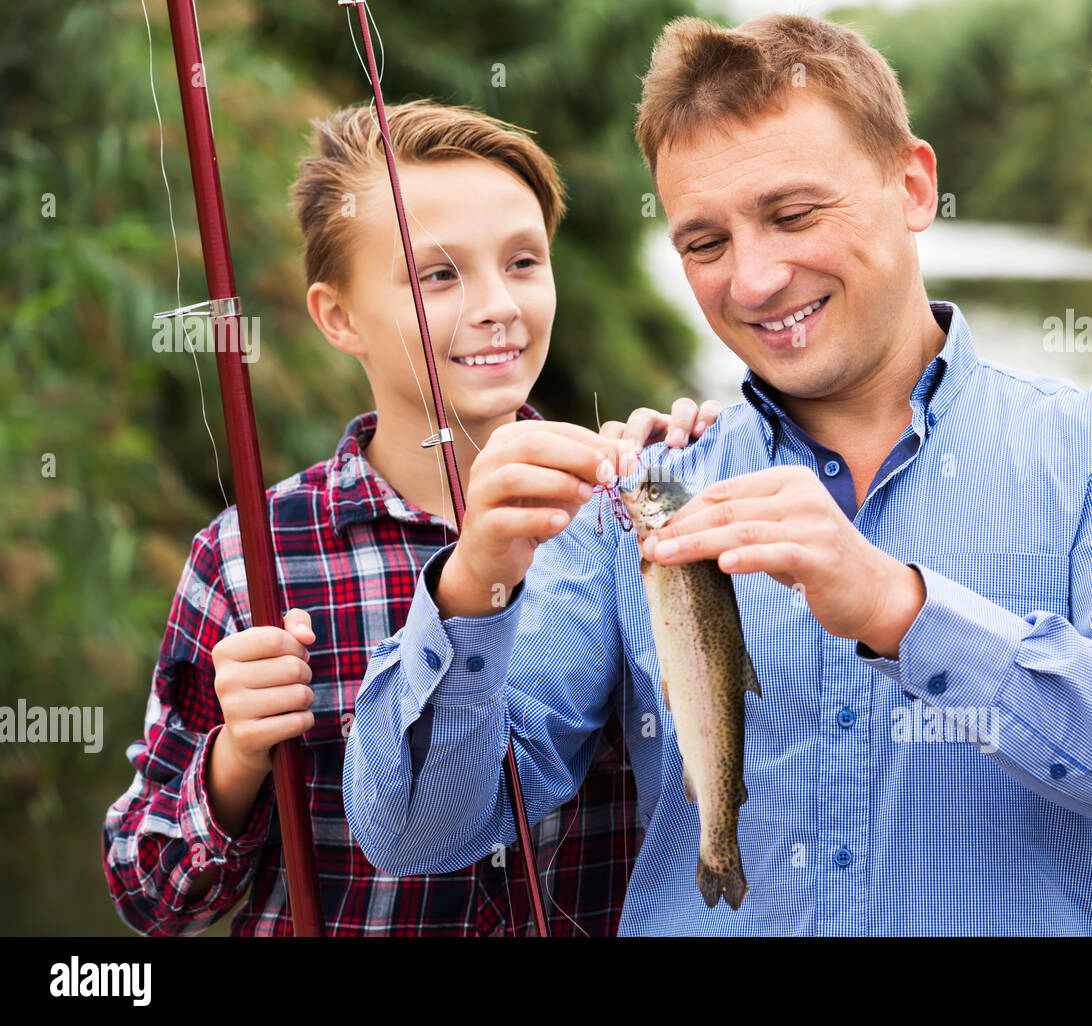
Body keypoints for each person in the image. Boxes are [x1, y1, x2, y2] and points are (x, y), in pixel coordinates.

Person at [343, 15, 1092, 935]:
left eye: (792, 214)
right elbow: (413, 833)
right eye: (705, 244)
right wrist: (470, 591)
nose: (753, 280)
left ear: (912, 185)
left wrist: (900, 610)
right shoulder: (643, 493)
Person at [102, 99, 720, 936]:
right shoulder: (252, 557)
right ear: (338, 317)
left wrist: (716, 459)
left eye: (524, 262)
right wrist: (235, 758)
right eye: (438, 274)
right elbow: (150, 895)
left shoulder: (631, 511)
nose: (498, 303)